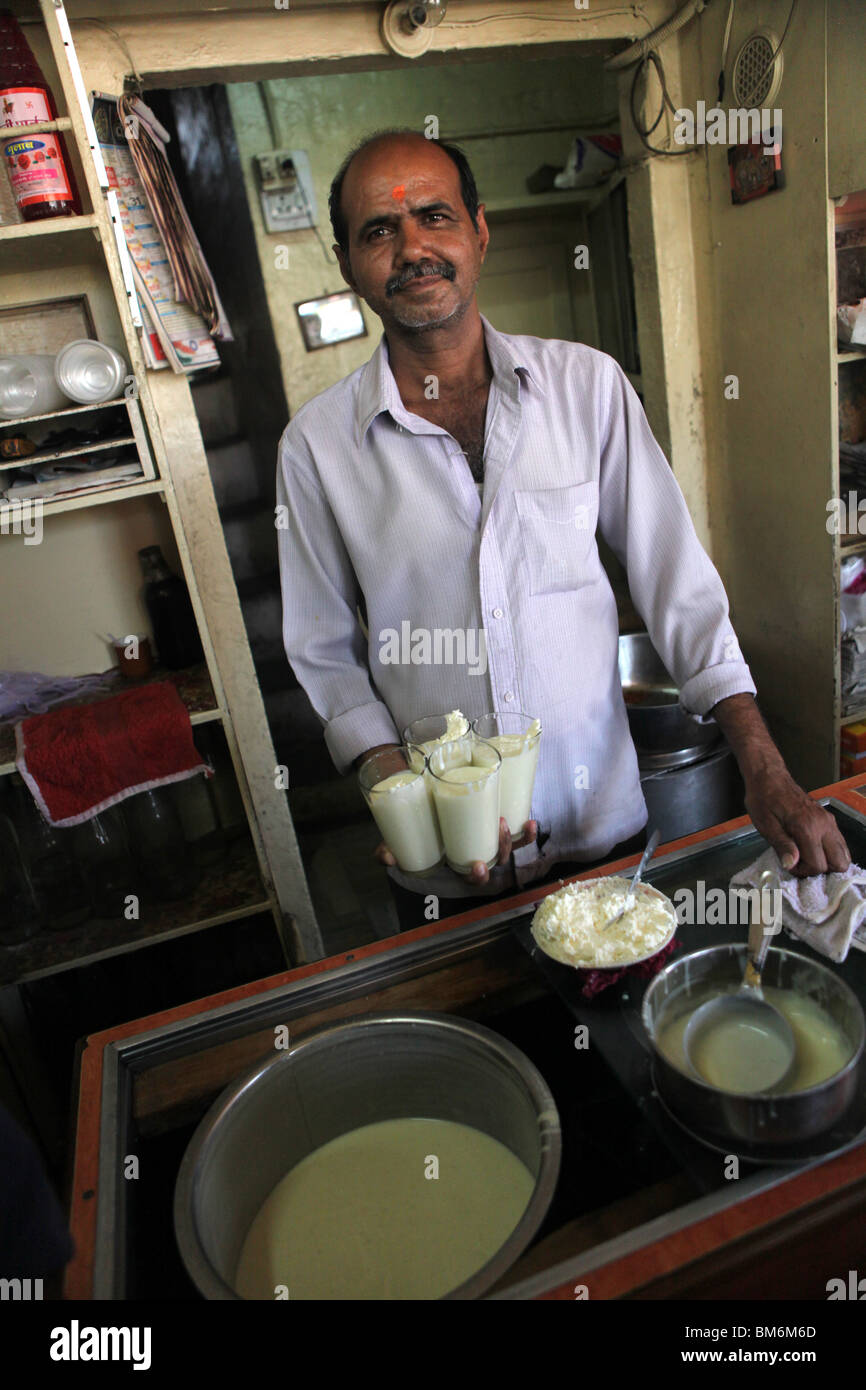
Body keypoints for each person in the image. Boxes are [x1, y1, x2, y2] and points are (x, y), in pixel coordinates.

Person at [276, 127, 849, 925]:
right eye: (379, 230)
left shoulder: (588, 388)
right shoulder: (316, 447)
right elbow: (321, 652)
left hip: (603, 836)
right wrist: (402, 794)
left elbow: (676, 581)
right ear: (346, 264)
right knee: (486, 1048)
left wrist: (763, 763)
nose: (412, 248)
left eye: (434, 217)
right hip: (446, 871)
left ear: (479, 231)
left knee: (619, 1043)